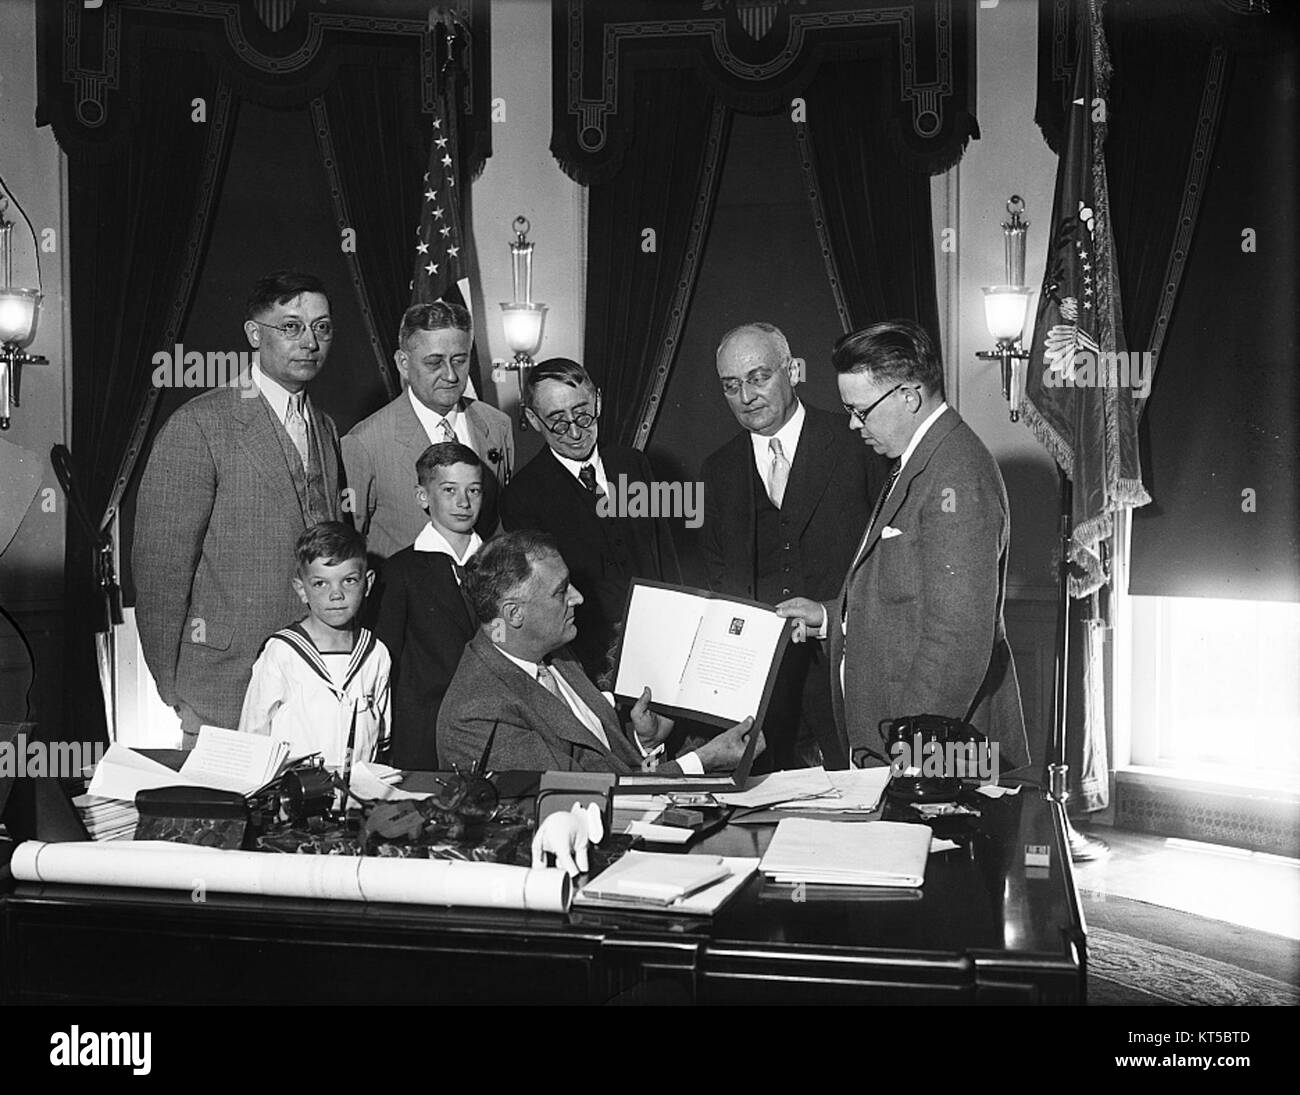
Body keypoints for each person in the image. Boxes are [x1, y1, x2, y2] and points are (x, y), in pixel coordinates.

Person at [777, 320, 1030, 771]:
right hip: (911, 744)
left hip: (934, 756)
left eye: (861, 411)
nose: (854, 425)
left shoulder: (955, 473)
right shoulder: (920, 460)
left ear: (909, 397)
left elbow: (956, 640)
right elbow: (904, 598)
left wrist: (907, 755)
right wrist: (829, 617)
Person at [135, 271, 343, 739]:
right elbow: (160, 573)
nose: (309, 341)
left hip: (312, 686)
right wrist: (173, 688)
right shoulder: (199, 425)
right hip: (224, 687)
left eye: (322, 327)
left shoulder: (325, 428)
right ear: (254, 334)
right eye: (291, 326)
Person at [701, 323, 884, 769]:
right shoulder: (718, 469)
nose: (746, 397)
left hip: (848, 672)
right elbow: (719, 578)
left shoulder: (858, 443)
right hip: (763, 687)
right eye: (731, 386)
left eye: (759, 378)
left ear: (793, 371)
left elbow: (888, 563)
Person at [437, 531, 759, 775]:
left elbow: (600, 761)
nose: (577, 598)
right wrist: (700, 762)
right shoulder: (476, 713)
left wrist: (643, 742)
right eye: (561, 591)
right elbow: (590, 799)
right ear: (514, 614)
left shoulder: (554, 655)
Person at [500, 358, 679, 684]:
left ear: (598, 399)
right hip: (588, 661)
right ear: (532, 419)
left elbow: (665, 554)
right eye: (557, 420)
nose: (575, 431)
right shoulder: (522, 496)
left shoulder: (633, 464)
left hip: (664, 640)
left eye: (583, 412)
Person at [342, 301, 513, 556]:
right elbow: (349, 543)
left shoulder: (497, 425)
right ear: (403, 363)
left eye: (459, 360)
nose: (451, 376)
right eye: (434, 362)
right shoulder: (364, 443)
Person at [238, 522, 390, 768]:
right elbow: (252, 733)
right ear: (302, 589)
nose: (336, 594)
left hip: (358, 793)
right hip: (292, 792)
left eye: (349, 581)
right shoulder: (282, 652)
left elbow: (382, 737)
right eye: (320, 583)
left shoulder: (376, 653)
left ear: (368, 583)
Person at [373, 442, 483, 769]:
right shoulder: (399, 572)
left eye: (474, 490)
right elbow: (385, 660)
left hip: (493, 725)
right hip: (425, 734)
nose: (463, 502)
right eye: (449, 490)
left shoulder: (500, 563)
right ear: (423, 497)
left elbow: (503, 633)